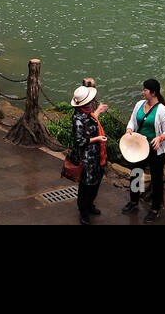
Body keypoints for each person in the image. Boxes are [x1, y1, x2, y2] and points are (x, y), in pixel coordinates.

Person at [122, 78, 165, 222]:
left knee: (156, 179)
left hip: (155, 150)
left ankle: (155, 208)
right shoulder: (139, 104)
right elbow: (132, 120)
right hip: (138, 148)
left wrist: (160, 138)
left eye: (145, 90)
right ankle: (133, 201)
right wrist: (129, 128)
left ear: (153, 93)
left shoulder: (162, 110)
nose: (142, 92)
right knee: (135, 173)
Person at [70, 84, 109, 224]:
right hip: (87, 158)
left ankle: (90, 205)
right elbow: (79, 141)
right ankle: (83, 211)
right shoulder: (78, 119)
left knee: (96, 182)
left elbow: (91, 120)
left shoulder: (86, 113)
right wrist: (97, 139)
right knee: (86, 185)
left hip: (97, 155)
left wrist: (98, 111)